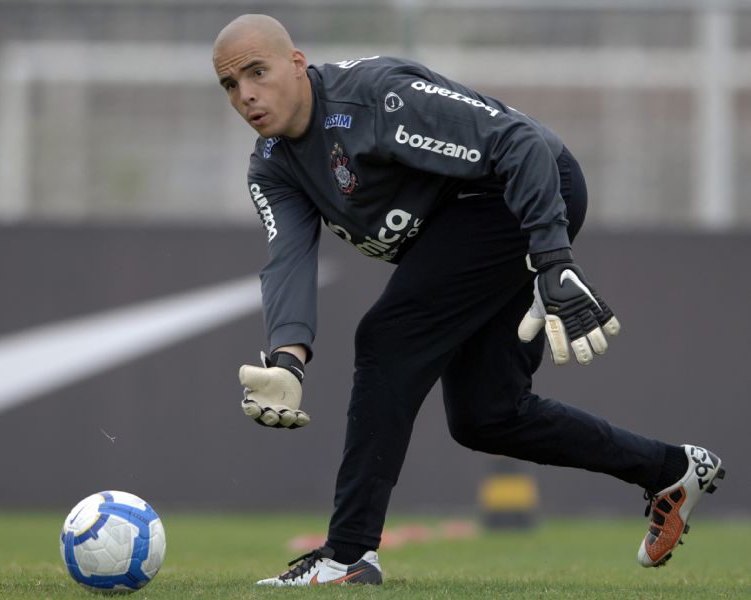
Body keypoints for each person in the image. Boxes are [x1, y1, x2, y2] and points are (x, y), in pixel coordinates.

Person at [212, 14, 724, 586]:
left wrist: (552, 259)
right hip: (468, 224)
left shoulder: (376, 98)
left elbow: (520, 141)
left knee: (389, 336)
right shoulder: (273, 163)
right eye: (230, 85)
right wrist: (287, 358)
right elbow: (287, 260)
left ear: (297, 64)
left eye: (258, 72)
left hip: (525, 188)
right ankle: (671, 470)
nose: (247, 94)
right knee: (488, 415)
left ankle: (348, 555)